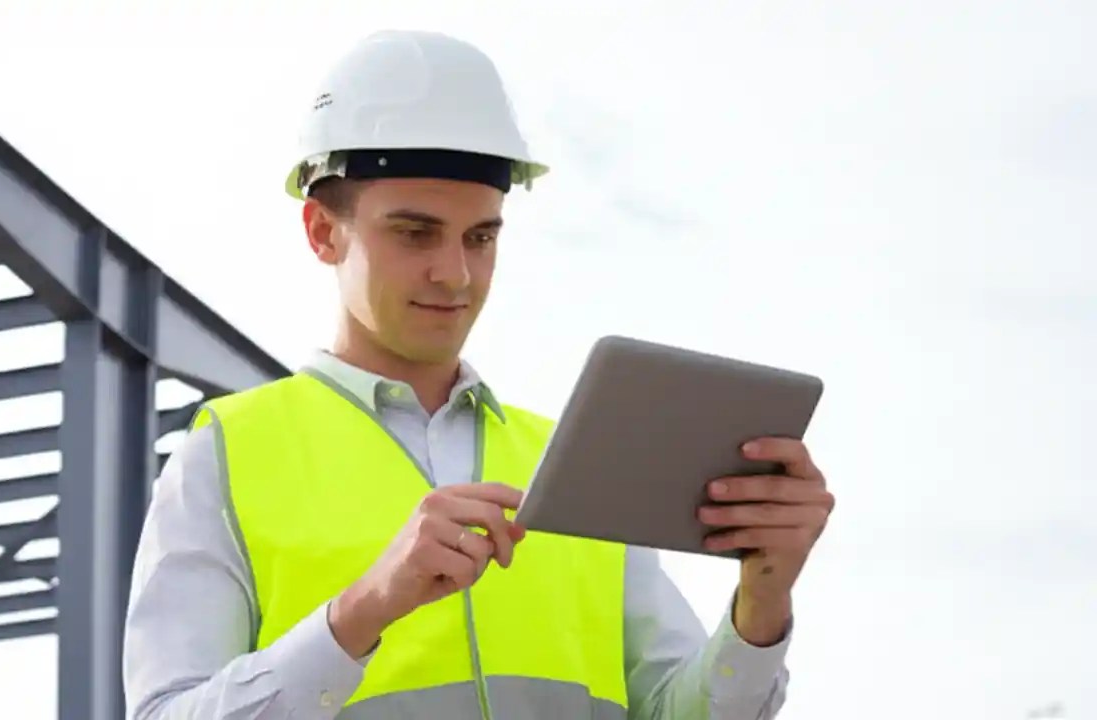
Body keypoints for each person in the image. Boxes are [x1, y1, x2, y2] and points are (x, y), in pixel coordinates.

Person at [122, 29, 835, 720]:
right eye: (415, 233)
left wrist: (763, 600)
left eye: (481, 236)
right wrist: (364, 608)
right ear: (321, 231)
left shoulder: (574, 464)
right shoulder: (228, 455)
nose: (455, 273)